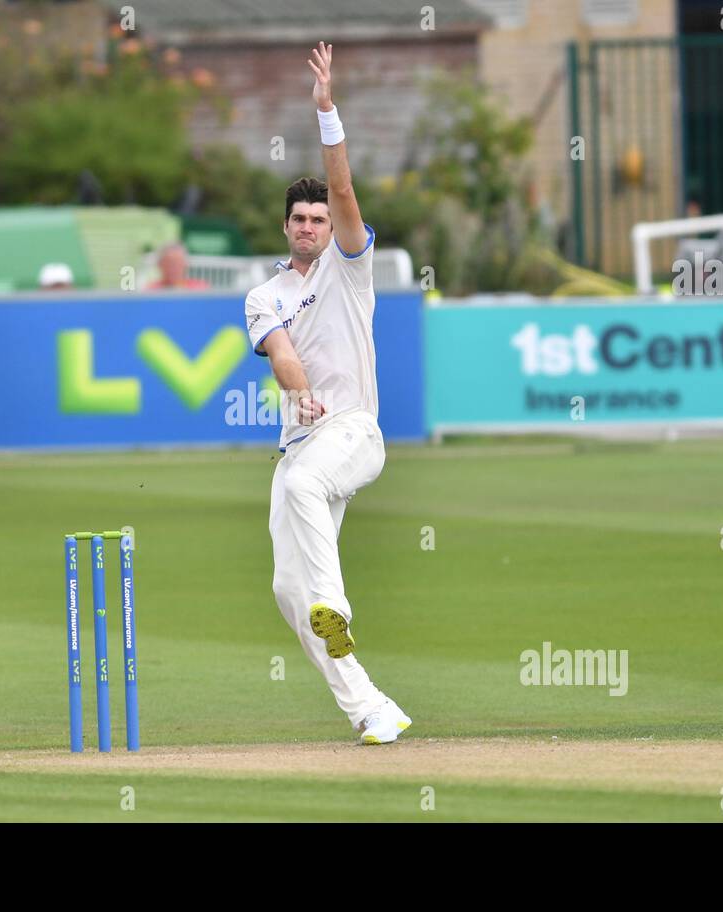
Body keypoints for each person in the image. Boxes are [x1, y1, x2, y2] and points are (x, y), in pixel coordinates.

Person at [243, 42, 410, 746]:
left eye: (318, 218)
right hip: (302, 440)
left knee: (308, 492)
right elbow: (281, 352)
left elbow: (344, 192)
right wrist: (301, 393)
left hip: (354, 434)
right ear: (286, 226)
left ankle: (336, 605)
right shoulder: (263, 294)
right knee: (288, 591)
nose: (312, 225)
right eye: (301, 219)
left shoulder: (350, 267)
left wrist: (326, 112)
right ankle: (371, 707)